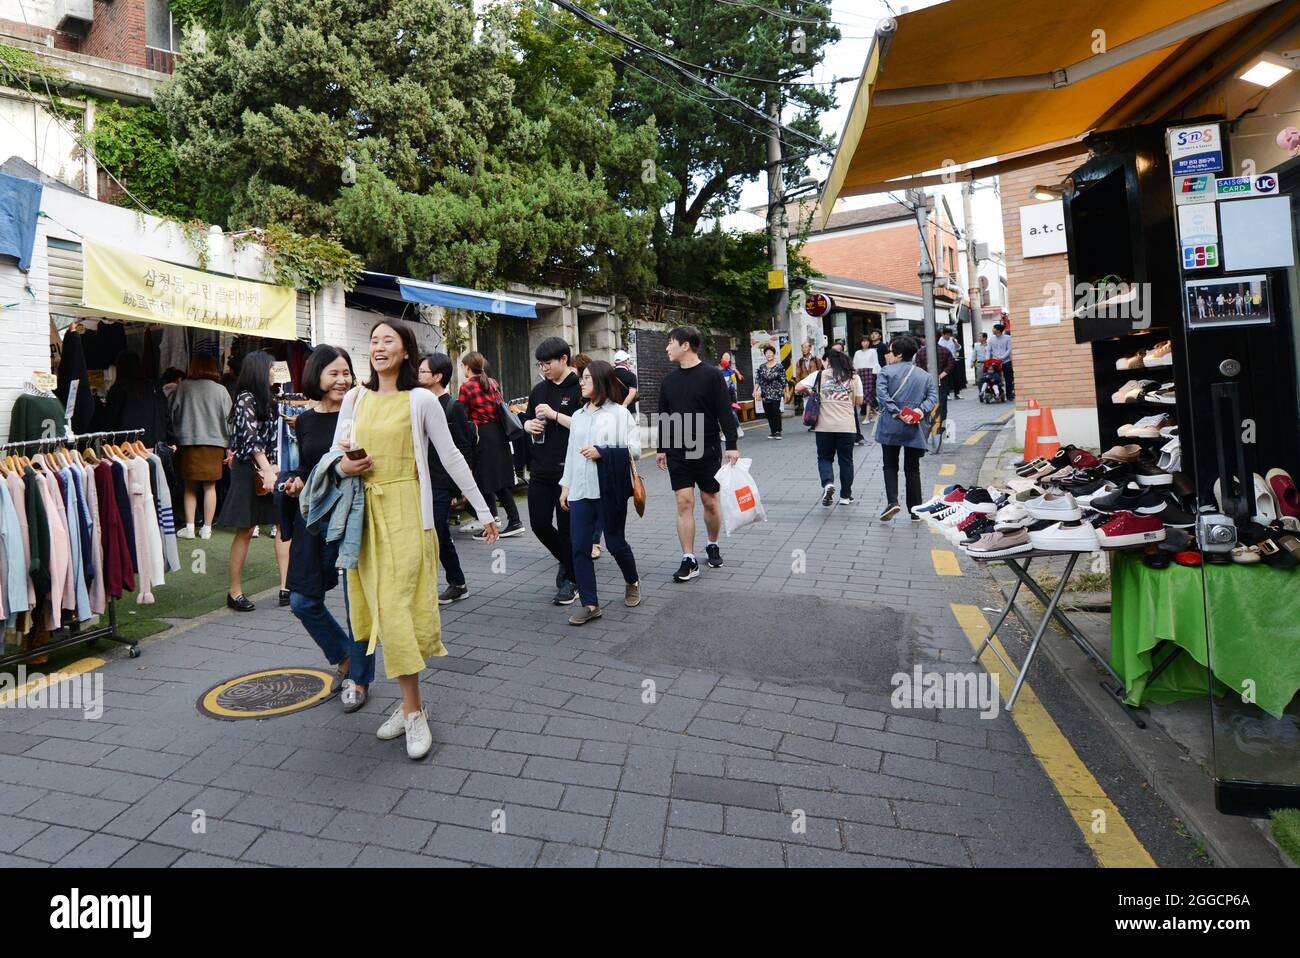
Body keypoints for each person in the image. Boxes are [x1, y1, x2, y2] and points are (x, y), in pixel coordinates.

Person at [334, 320, 498, 760]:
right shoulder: (354, 397)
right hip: (364, 519)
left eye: (389, 340)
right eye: (373, 340)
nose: (378, 347)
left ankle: (412, 713)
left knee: (395, 607)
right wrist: (347, 466)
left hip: (409, 514)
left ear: (407, 351)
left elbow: (451, 455)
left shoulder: (421, 399)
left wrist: (484, 511)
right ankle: (412, 705)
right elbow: (337, 456)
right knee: (378, 613)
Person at [280, 345, 375, 712]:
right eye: (334, 373)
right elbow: (307, 469)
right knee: (303, 600)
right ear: (316, 375)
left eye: (346, 372)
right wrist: (296, 483)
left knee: (357, 606)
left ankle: (361, 679)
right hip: (315, 516)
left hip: (353, 516)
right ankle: (345, 658)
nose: (342, 380)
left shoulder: (360, 412)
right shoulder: (303, 420)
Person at [559, 360, 641, 625]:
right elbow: (571, 453)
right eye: (581, 378)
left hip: (609, 490)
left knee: (616, 544)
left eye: (586, 378)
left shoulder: (619, 414)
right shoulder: (580, 416)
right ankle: (590, 603)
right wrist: (565, 486)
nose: (581, 383)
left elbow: (635, 450)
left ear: (601, 381)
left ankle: (632, 580)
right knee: (579, 547)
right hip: (580, 491)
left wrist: (602, 452)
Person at [656, 326, 740, 582]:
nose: (667, 348)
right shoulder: (668, 380)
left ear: (685, 345)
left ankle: (712, 543)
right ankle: (688, 558)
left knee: (709, 501)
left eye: (671, 342)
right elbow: (664, 416)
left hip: (706, 446)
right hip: (677, 450)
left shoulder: (712, 376)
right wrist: (661, 448)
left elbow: (724, 411)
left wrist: (732, 445)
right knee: (684, 502)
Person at [214, 350, 289, 612]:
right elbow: (251, 440)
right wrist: (268, 469)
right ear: (259, 371)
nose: (274, 372)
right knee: (245, 530)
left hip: (267, 468)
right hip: (248, 471)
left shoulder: (269, 400)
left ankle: (286, 586)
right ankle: (234, 592)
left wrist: (274, 466)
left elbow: (271, 440)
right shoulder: (245, 398)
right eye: (270, 368)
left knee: (282, 524)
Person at [523, 337, 583, 605]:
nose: (544, 368)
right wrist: (528, 426)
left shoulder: (582, 388)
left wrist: (555, 414)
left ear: (563, 360)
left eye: (548, 363)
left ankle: (573, 579)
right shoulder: (539, 390)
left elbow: (587, 427)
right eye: (540, 365)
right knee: (538, 523)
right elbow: (525, 417)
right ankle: (568, 560)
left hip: (571, 470)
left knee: (568, 528)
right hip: (541, 468)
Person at [418, 353, 478, 605]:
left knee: (439, 530)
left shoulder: (452, 406)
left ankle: (457, 582)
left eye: (422, 372)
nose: (417, 376)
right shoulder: (417, 403)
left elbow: (465, 448)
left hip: (442, 481)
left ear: (437, 376)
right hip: (421, 478)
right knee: (426, 531)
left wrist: (461, 487)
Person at [458, 351, 525, 539]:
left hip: (483, 436)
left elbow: (462, 416)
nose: (462, 369)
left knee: (485, 480)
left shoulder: (467, 388)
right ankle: (501, 520)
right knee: (497, 480)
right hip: (499, 434)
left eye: (463, 366)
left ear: (468, 367)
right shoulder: (493, 382)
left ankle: (508, 521)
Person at [876, 336, 939, 521]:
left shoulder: (886, 371)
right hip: (915, 426)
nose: (889, 353)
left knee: (890, 465)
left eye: (891, 350)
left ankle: (893, 502)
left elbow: (882, 395)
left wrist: (896, 412)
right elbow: (933, 397)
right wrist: (919, 411)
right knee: (912, 468)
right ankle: (915, 510)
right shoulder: (924, 375)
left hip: (890, 425)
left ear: (899, 353)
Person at [170, 354, 231, 541]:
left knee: (189, 486)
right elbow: (229, 419)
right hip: (215, 444)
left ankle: (189, 528)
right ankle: (206, 529)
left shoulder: (183, 388)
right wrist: (228, 443)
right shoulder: (221, 391)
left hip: (188, 443)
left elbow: (172, 413)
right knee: (210, 486)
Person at [796, 346, 864, 506]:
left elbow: (798, 387)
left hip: (824, 427)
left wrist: (813, 393)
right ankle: (846, 496)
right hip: (847, 426)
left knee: (825, 458)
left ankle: (828, 483)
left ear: (829, 362)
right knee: (846, 460)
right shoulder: (854, 377)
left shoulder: (819, 375)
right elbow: (860, 401)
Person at [105, 350, 170, 447]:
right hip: (155, 444)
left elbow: (109, 421)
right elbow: (166, 415)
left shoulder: (118, 389)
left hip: (127, 446)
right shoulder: (153, 386)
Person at [752, 344, 786, 439]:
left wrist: (781, 390)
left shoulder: (779, 367)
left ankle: (778, 431)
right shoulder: (762, 367)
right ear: (765, 355)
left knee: (775, 411)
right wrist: (755, 390)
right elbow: (758, 380)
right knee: (768, 413)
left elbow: (784, 381)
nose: (769, 354)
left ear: (774, 354)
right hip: (765, 394)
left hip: (776, 394)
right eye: (767, 353)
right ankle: (773, 431)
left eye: (770, 353)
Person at [719, 351, 745, 439]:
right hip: (721, 396)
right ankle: (724, 433)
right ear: (721, 358)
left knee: (733, 412)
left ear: (730, 360)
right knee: (722, 414)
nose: (726, 358)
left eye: (727, 357)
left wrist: (736, 371)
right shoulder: (717, 370)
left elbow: (741, 380)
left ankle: (738, 428)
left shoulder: (732, 370)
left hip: (732, 396)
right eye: (724, 357)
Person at [794, 341, 822, 417]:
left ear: (810, 348)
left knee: (818, 406)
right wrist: (801, 388)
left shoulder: (816, 360)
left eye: (806, 347)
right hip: (805, 387)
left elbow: (820, 372)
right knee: (807, 407)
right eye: (803, 348)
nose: (804, 349)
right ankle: (811, 422)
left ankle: (816, 423)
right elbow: (798, 376)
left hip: (815, 386)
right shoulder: (799, 362)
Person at [987, 323, 1014, 400]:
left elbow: (1009, 349)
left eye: (993, 328)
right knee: (994, 378)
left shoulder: (1008, 338)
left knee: (1008, 379)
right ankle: (998, 393)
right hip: (994, 362)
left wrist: (1002, 358)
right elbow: (988, 350)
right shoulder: (991, 339)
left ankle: (1009, 395)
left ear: (998, 330)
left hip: (1006, 361)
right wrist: (987, 359)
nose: (992, 330)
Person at [939, 328, 964, 399]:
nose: (948, 336)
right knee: (947, 378)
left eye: (949, 335)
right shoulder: (940, 341)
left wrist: (955, 342)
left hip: (953, 360)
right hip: (945, 361)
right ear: (943, 334)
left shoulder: (953, 340)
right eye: (946, 335)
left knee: (956, 377)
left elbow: (959, 348)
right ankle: (947, 394)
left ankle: (957, 393)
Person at [612, 350, 639, 415]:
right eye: (628, 359)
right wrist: (623, 407)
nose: (628, 361)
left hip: (613, 411)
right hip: (629, 410)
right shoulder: (631, 376)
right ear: (625, 361)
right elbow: (632, 394)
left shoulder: (610, 375)